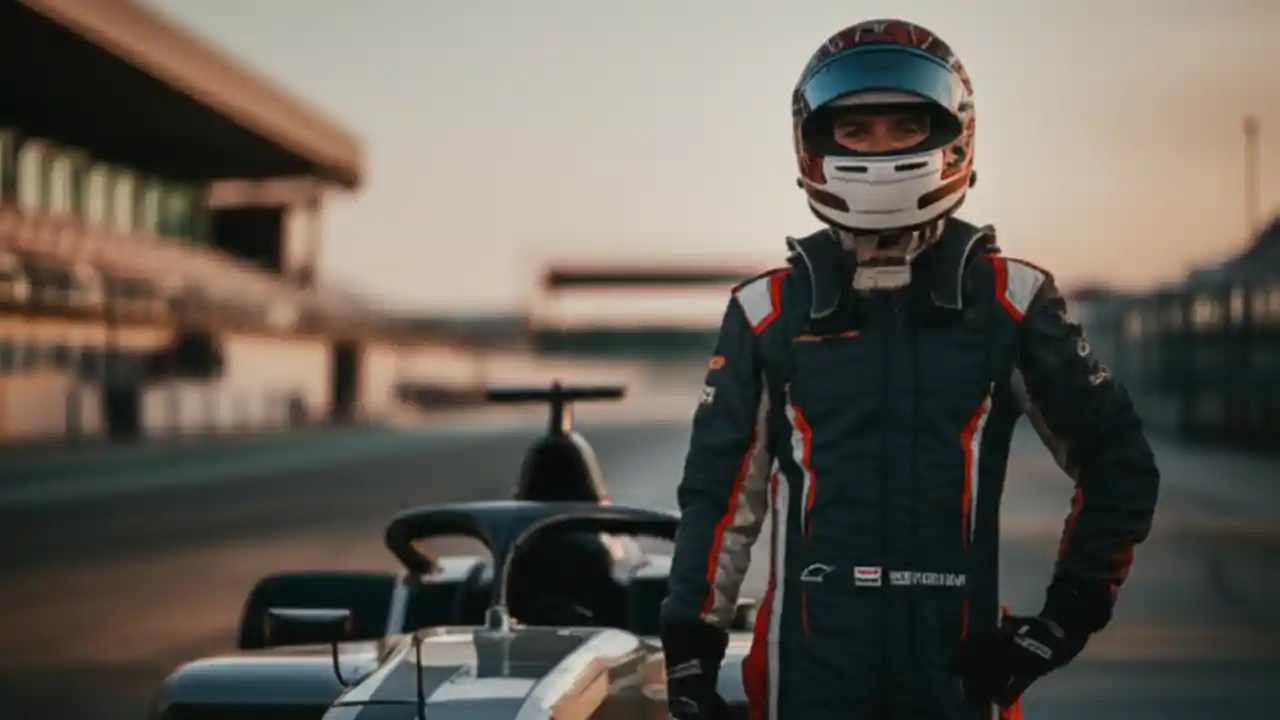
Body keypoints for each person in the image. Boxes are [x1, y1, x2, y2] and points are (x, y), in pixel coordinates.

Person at [659, 18, 1160, 720]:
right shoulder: (766, 310)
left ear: (951, 135)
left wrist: (1061, 625)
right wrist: (688, 652)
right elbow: (718, 503)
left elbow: (1119, 463)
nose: (880, 150)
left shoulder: (1010, 301)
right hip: (805, 683)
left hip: (958, 680)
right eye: (856, 132)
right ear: (814, 144)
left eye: (903, 128)